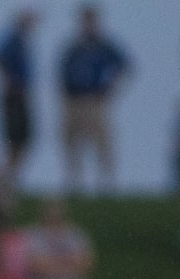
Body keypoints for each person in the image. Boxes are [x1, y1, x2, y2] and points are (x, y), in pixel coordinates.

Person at [57, 3, 130, 195]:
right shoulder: (73, 47)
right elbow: (62, 74)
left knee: (102, 142)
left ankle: (106, 185)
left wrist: (110, 89)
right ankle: (74, 184)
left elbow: (124, 67)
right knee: (71, 142)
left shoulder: (104, 46)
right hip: (73, 100)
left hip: (94, 100)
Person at [0, 9, 39, 188]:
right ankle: (4, 180)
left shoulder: (22, 40)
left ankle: (8, 178)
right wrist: (9, 81)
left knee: (23, 140)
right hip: (14, 97)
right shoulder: (13, 40)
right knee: (15, 140)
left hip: (21, 95)